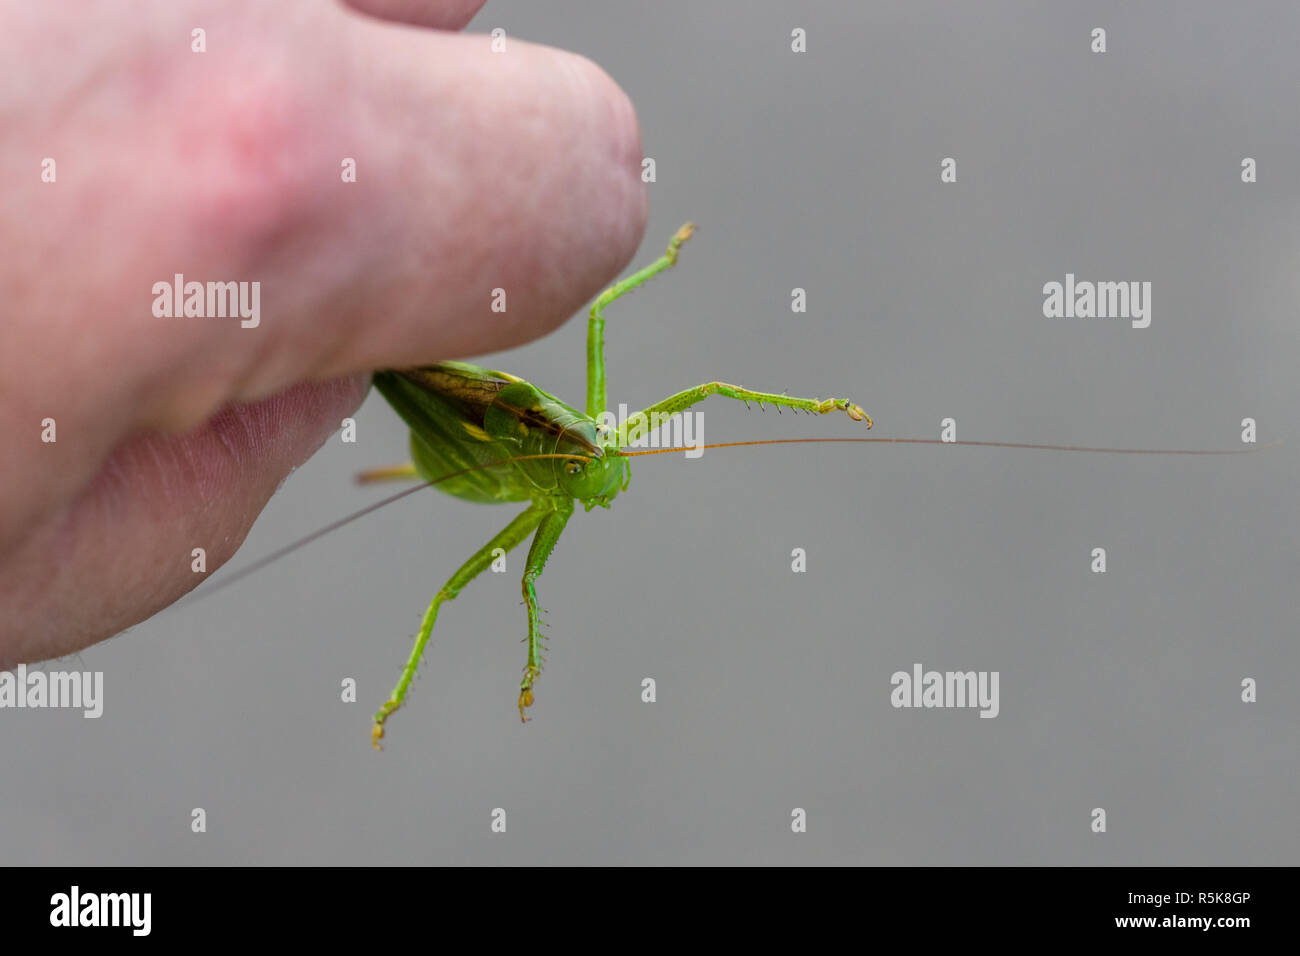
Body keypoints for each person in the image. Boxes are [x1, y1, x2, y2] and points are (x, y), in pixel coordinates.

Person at [0, 0, 648, 663]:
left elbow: (688, 385)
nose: (605, 454)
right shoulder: (558, 482)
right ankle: (395, 694)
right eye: (597, 451)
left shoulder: (584, 448)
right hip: (462, 444)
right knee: (403, 390)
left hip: (482, 431)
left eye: (600, 449)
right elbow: (530, 576)